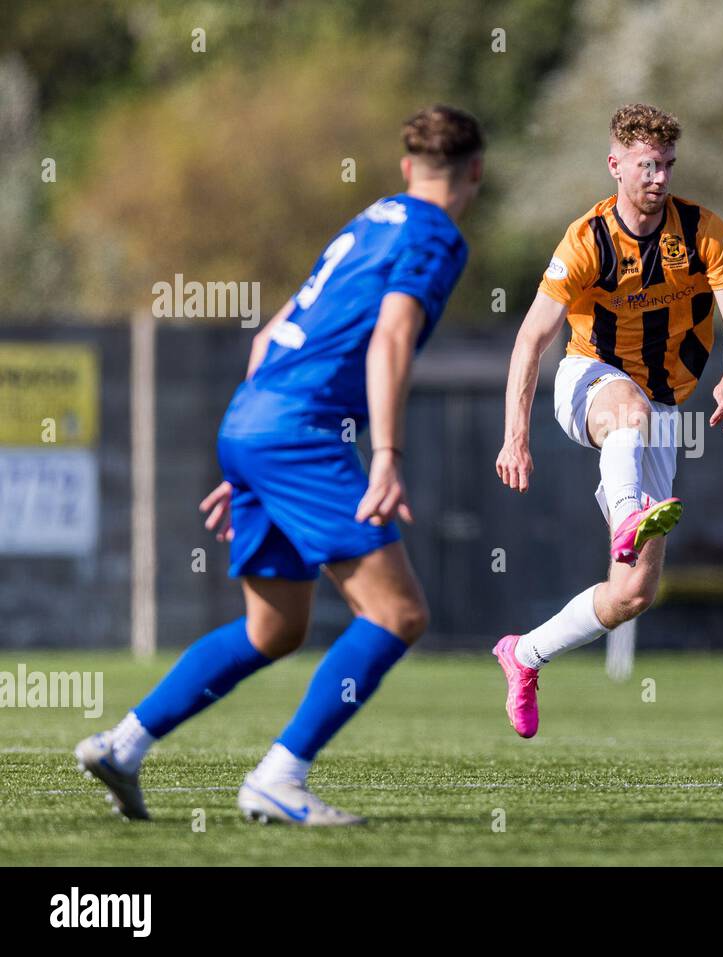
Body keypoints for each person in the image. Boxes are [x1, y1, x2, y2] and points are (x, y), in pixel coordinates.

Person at [75, 105, 485, 825]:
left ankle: (124, 743)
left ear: (405, 167)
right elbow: (392, 333)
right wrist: (386, 454)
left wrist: (248, 464)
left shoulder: (369, 221)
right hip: (299, 429)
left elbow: (269, 335)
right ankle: (279, 774)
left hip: (253, 418)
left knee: (274, 629)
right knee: (399, 611)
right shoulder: (436, 233)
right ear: (475, 171)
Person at [492, 103, 723, 738]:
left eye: (667, 165)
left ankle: (523, 655)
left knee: (633, 593)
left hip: (662, 410)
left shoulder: (703, 232)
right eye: (646, 165)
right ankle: (627, 509)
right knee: (627, 406)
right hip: (589, 381)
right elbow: (531, 340)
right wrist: (515, 436)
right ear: (615, 165)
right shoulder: (586, 241)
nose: (659, 178)